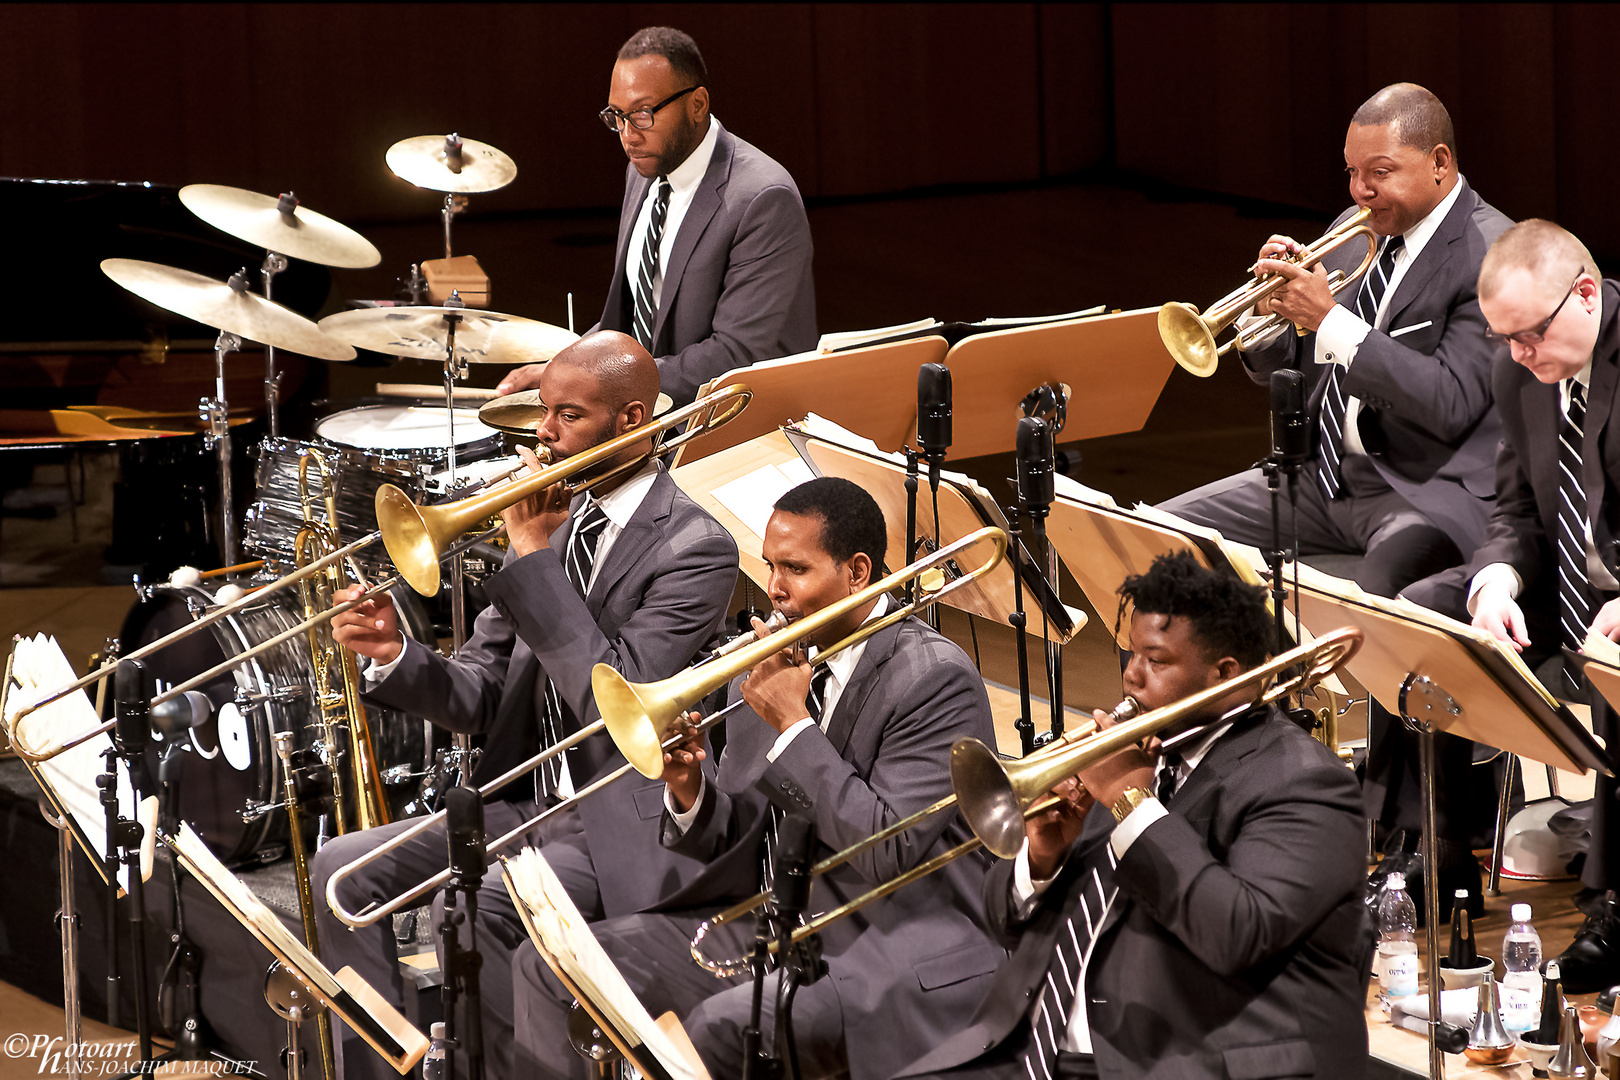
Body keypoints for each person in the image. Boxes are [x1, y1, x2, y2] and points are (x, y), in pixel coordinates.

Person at [311, 331, 739, 1080]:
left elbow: (621, 697)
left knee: (485, 908)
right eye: (544, 413)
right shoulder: (550, 522)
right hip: (528, 802)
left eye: (567, 417)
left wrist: (535, 559)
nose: (542, 435)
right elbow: (479, 691)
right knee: (340, 869)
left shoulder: (695, 547)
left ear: (631, 419)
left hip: (613, 823)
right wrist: (395, 657)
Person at [511, 477, 1006, 1080]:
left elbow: (890, 850)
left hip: (877, 938)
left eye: (796, 569)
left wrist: (794, 725)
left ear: (857, 571)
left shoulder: (932, 679)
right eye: (770, 565)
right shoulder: (770, 662)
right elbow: (746, 834)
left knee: (718, 1031)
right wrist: (690, 789)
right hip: (771, 925)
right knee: (548, 968)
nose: (774, 589)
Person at [1159, 82, 1512, 904]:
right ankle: (1228, 777)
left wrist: (1334, 323)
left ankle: (1401, 826)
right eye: (1353, 174)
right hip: (1324, 478)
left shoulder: (1488, 251)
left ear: (1438, 163)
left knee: (1390, 604)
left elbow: (1452, 398)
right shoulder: (1354, 241)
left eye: (1379, 173)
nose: (1360, 193)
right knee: (1170, 544)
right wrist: (1275, 317)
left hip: (1425, 491)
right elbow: (1287, 369)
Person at [897, 551, 1371, 1080]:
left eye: (1157, 661)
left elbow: (1239, 932)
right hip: (1039, 1047)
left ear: (1225, 674)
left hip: (1181, 1061)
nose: (1131, 677)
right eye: (1130, 655)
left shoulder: (1303, 781)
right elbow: (1003, 924)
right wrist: (1043, 855)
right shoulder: (1147, 751)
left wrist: (1129, 801)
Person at [1398, 221, 1620, 991]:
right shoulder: (1518, 366)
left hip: (1616, 606)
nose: (1519, 357)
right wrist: (1495, 580)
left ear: (1585, 294)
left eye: (1529, 336)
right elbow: (1517, 512)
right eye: (1505, 340)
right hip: (1561, 593)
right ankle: (1441, 857)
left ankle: (1610, 911)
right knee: (1429, 613)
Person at [498, 26, 816, 408]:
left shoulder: (763, 199)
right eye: (617, 116)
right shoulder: (643, 171)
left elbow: (738, 354)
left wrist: (600, 385)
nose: (628, 136)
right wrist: (566, 367)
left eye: (643, 114)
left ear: (697, 104)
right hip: (649, 412)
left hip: (733, 426)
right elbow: (629, 318)